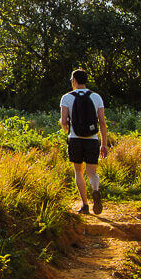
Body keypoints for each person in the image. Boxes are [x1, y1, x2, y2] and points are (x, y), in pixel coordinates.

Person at [60, 68, 108, 214]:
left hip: (75, 139)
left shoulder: (66, 98)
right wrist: (104, 143)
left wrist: (67, 130)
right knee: (92, 172)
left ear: (74, 81)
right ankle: (95, 189)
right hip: (92, 140)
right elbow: (102, 122)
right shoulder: (96, 97)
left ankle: (85, 205)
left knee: (78, 171)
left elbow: (63, 121)